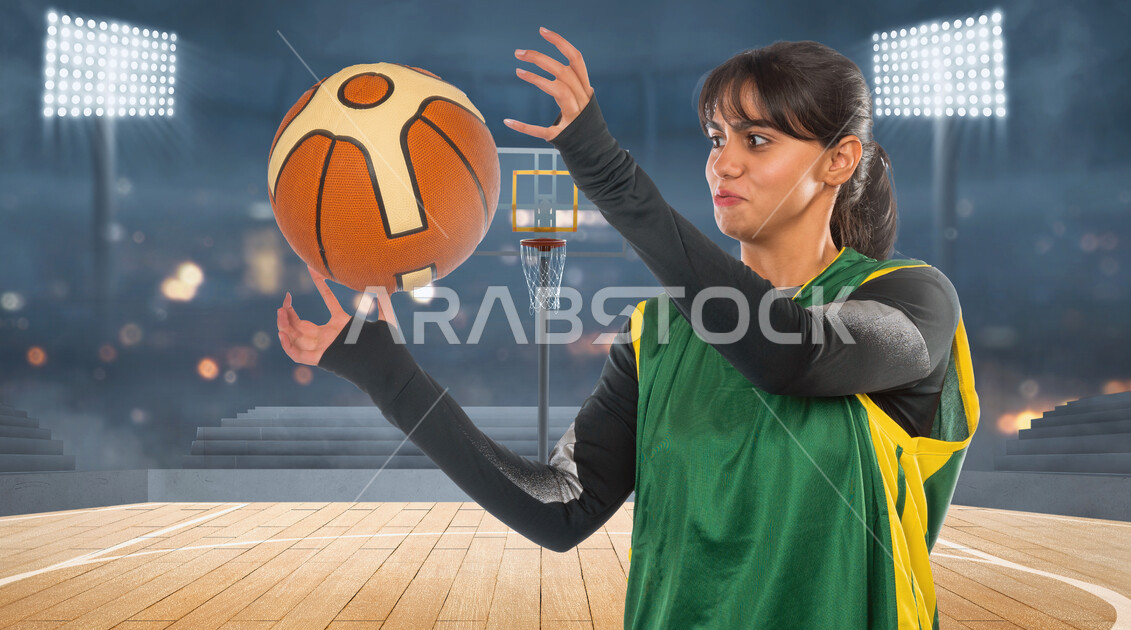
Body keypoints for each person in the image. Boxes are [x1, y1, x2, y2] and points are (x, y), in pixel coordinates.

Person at [277, 26, 979, 630]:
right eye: (716, 137)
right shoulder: (658, 333)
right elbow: (561, 508)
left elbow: (790, 351)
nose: (723, 162)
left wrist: (607, 172)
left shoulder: (912, 302)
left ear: (839, 160)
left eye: (757, 139)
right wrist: (385, 371)